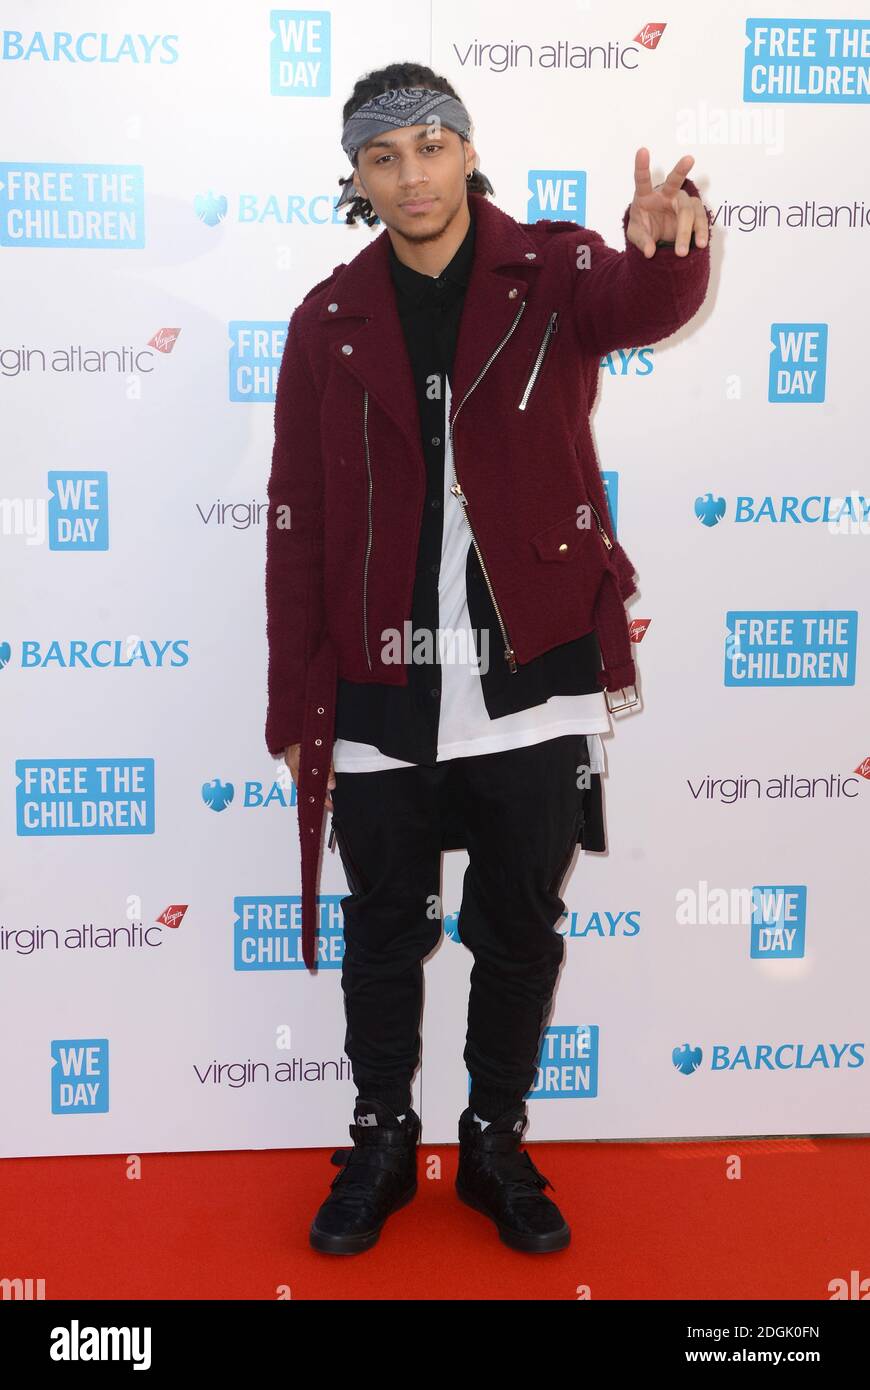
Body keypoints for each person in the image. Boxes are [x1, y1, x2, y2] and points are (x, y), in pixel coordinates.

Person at [264, 62, 711, 1256]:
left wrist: (666, 251)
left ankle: (495, 1138)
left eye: (428, 147)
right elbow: (297, 511)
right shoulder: (327, 318)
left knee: (518, 926)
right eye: (381, 157)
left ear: (468, 152)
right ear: (356, 178)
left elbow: (640, 304)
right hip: (380, 684)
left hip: (535, 676)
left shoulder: (553, 272)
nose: (410, 175)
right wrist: (295, 692)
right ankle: (380, 1136)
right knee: (384, 932)